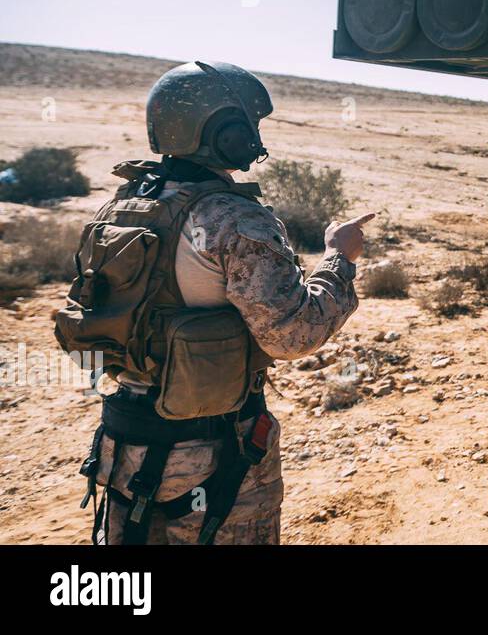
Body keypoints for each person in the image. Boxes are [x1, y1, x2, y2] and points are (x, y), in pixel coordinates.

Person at [55, 61, 374, 544]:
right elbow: (293, 334)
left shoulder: (121, 206)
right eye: (249, 125)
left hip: (124, 445)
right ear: (225, 131)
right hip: (212, 456)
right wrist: (339, 259)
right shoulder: (235, 218)